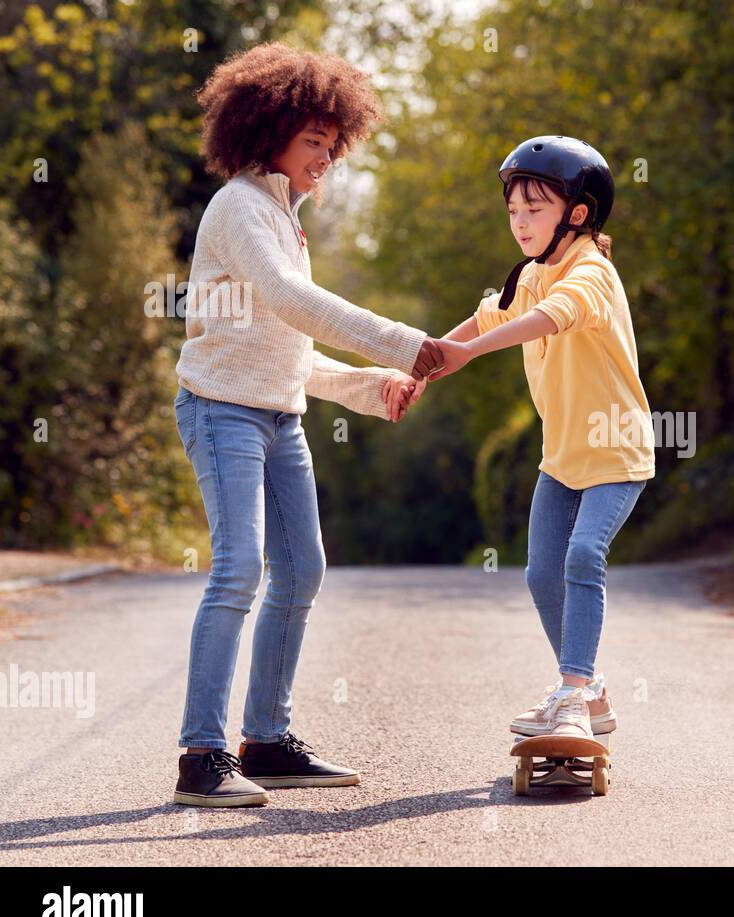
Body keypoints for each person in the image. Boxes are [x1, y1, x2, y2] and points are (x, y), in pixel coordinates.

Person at [171, 42, 444, 807]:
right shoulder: (240, 207)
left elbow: (287, 354)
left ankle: (267, 741)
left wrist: (374, 383)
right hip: (221, 411)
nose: (325, 158)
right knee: (239, 570)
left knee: (304, 570)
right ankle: (201, 755)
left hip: (277, 419)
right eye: (312, 143)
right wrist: (407, 343)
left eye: (333, 145)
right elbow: (292, 303)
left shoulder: (286, 219)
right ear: (268, 135)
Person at [416, 135, 655, 742]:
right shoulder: (531, 275)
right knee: (540, 575)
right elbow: (488, 314)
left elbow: (553, 315)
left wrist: (472, 351)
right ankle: (589, 691)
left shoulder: (591, 272)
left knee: (582, 556)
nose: (520, 224)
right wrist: (422, 367)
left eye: (536, 210)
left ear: (577, 215)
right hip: (563, 457)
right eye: (513, 212)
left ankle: (572, 694)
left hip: (617, 450)